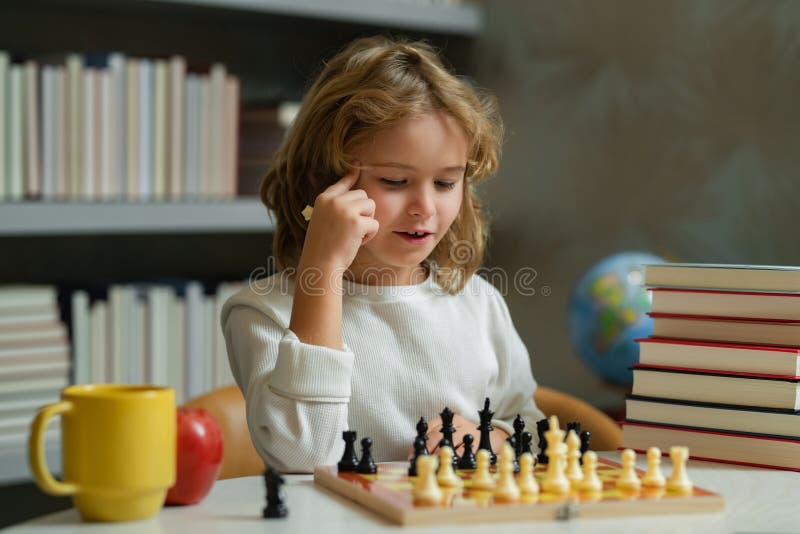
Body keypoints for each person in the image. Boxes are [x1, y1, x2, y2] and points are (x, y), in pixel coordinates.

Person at [221, 35, 544, 473]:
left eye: (446, 183)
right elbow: (304, 456)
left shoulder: (480, 303)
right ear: (326, 180)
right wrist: (323, 268)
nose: (425, 208)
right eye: (394, 180)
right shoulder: (262, 314)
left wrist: (494, 438)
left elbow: (530, 428)